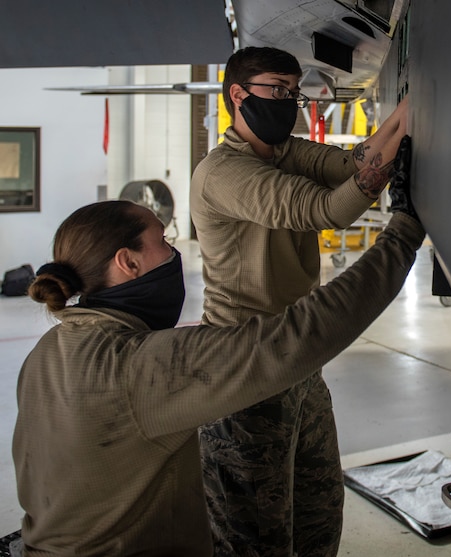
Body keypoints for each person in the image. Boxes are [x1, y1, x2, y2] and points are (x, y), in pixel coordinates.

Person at [12, 153, 421, 556]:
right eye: (164, 241)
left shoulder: (48, 352)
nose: (174, 252)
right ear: (128, 262)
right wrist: (403, 232)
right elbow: (297, 337)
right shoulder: (137, 367)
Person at [190, 46, 409, 556]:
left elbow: (349, 163)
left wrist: (407, 113)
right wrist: (405, 220)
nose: (289, 102)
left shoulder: (285, 151)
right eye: (277, 90)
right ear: (238, 95)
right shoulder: (223, 173)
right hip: (243, 365)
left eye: (294, 92)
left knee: (318, 512)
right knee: (256, 535)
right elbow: (327, 209)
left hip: (297, 357)